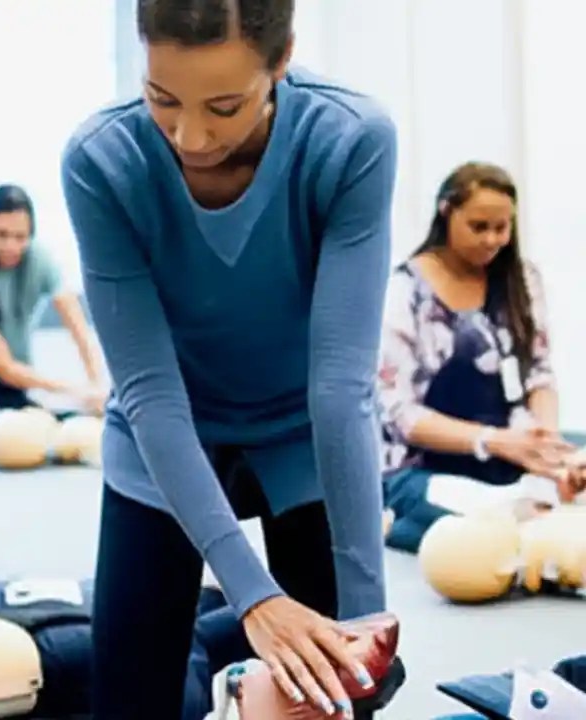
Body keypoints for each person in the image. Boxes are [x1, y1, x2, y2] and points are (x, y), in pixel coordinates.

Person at [61, 1, 395, 717]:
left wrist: (367, 615)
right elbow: (150, 393)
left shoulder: (349, 139)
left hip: (304, 438)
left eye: (223, 105)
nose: (189, 135)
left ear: (281, 60)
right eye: (161, 98)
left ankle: (225, 658)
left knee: (336, 699)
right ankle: (221, 643)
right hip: (164, 441)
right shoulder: (101, 161)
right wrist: (256, 598)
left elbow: (340, 389)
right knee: (129, 701)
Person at [378, 162, 585, 552]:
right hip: (427, 464)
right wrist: (494, 441)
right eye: (479, 227)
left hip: (512, 451)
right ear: (446, 213)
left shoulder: (522, 280)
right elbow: (401, 413)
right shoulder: (402, 292)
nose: (492, 239)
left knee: (571, 468)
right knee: (467, 523)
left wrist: (547, 445)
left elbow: (539, 374)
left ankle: (531, 507)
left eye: (502, 228)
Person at [0, 184, 106, 462]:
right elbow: (4, 367)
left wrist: (95, 384)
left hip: (11, 393)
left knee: (50, 428)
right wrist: (76, 391)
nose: (11, 246)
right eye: (1, 235)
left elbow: (75, 322)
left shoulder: (39, 259)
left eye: (20, 237)